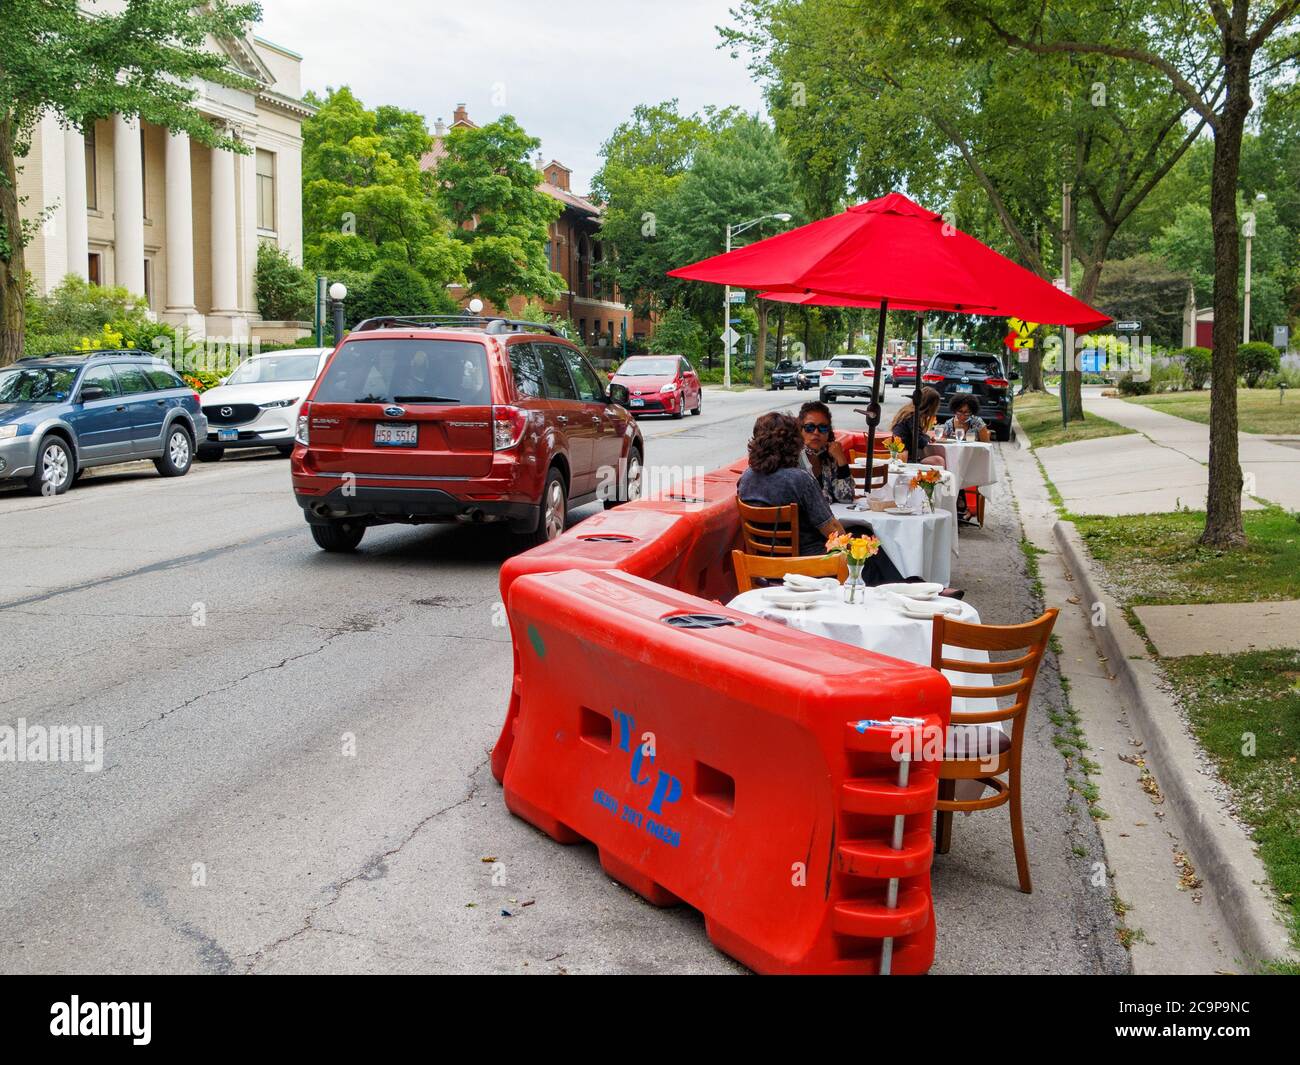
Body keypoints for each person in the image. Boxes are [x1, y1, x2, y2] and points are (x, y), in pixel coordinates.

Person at [738, 412, 909, 584]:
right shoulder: (800, 479)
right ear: (793, 443)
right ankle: (896, 587)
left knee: (860, 534)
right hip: (807, 564)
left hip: (763, 564)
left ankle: (898, 584)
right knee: (865, 546)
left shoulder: (745, 479)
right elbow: (833, 530)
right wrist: (857, 549)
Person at [797, 401, 855, 504]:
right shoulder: (792, 458)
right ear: (800, 430)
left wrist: (841, 460)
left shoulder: (829, 457)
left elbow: (846, 497)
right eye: (809, 427)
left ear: (829, 432)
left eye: (822, 428)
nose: (816, 432)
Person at [889, 386, 946, 466]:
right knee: (938, 460)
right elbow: (919, 441)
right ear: (930, 405)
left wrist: (925, 436)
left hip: (901, 454)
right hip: (905, 458)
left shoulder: (907, 412)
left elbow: (917, 436)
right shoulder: (913, 416)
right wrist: (928, 437)